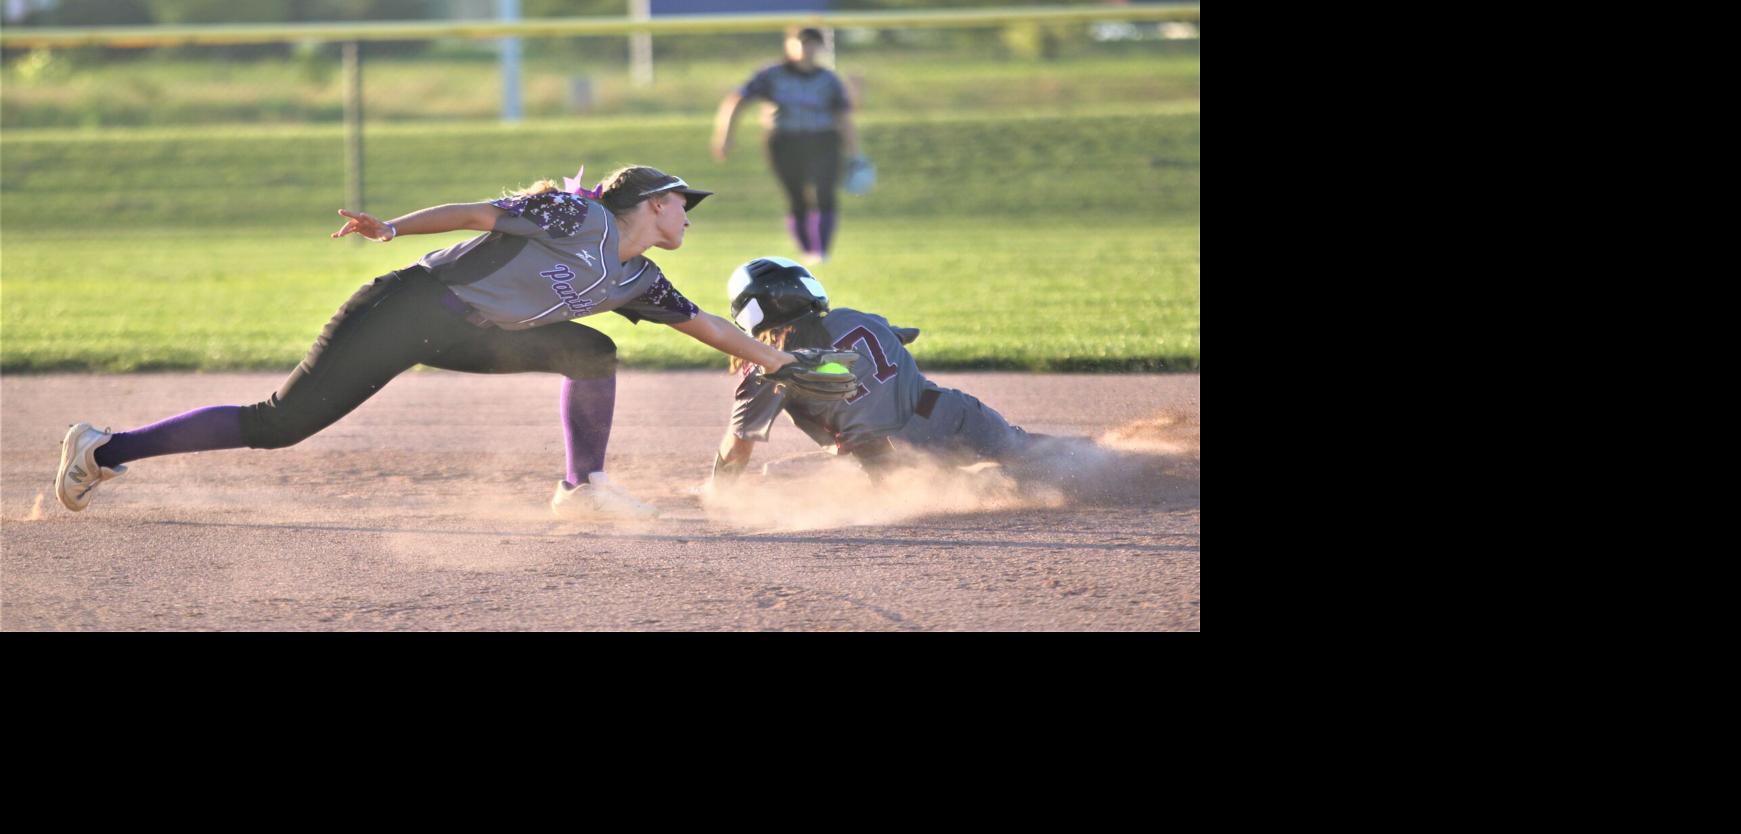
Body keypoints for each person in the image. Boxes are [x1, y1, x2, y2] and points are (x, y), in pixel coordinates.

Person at [55, 165, 852, 520]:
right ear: (647, 202)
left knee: (593, 352)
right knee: (277, 423)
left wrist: (782, 360)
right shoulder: (577, 218)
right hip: (407, 308)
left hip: (473, 333)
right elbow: (478, 213)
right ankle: (102, 447)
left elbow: (708, 328)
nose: (689, 215)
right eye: (684, 202)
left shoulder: (639, 279)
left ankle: (583, 488)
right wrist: (393, 227)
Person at [708, 257, 1079, 489]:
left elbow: (739, 443)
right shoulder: (856, 318)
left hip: (884, 455)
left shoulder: (766, 369)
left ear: (747, 315)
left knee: (956, 492)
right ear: (809, 290)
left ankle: (1004, 487)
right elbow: (901, 335)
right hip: (949, 414)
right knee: (1020, 447)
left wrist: (718, 494)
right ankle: (1103, 463)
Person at [711, 26, 857, 265]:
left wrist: (854, 152)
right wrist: (724, 136)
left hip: (823, 139)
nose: (806, 48)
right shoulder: (772, 75)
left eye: (812, 43)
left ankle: (822, 252)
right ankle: (807, 251)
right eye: (801, 42)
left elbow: (843, 116)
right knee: (796, 196)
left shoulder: (828, 79)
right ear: (789, 45)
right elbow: (737, 100)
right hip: (784, 141)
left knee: (824, 193)